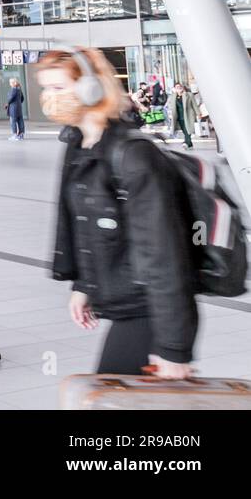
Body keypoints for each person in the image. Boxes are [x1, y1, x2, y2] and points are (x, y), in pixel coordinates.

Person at [39, 47, 197, 378]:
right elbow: (84, 225)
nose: (49, 98)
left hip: (149, 309)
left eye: (58, 87)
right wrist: (83, 285)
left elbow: (164, 254)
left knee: (108, 394)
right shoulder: (78, 147)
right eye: (45, 88)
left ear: (91, 87)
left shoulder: (133, 155)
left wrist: (173, 348)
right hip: (127, 304)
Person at [166, 82, 199, 149]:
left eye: (180, 87)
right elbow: (169, 105)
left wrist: (198, 113)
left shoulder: (189, 95)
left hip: (188, 115)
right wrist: (170, 114)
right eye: (177, 87)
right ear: (175, 89)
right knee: (184, 130)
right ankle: (190, 144)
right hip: (178, 116)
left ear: (183, 87)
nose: (179, 88)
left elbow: (194, 104)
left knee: (187, 129)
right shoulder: (172, 97)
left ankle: (186, 143)